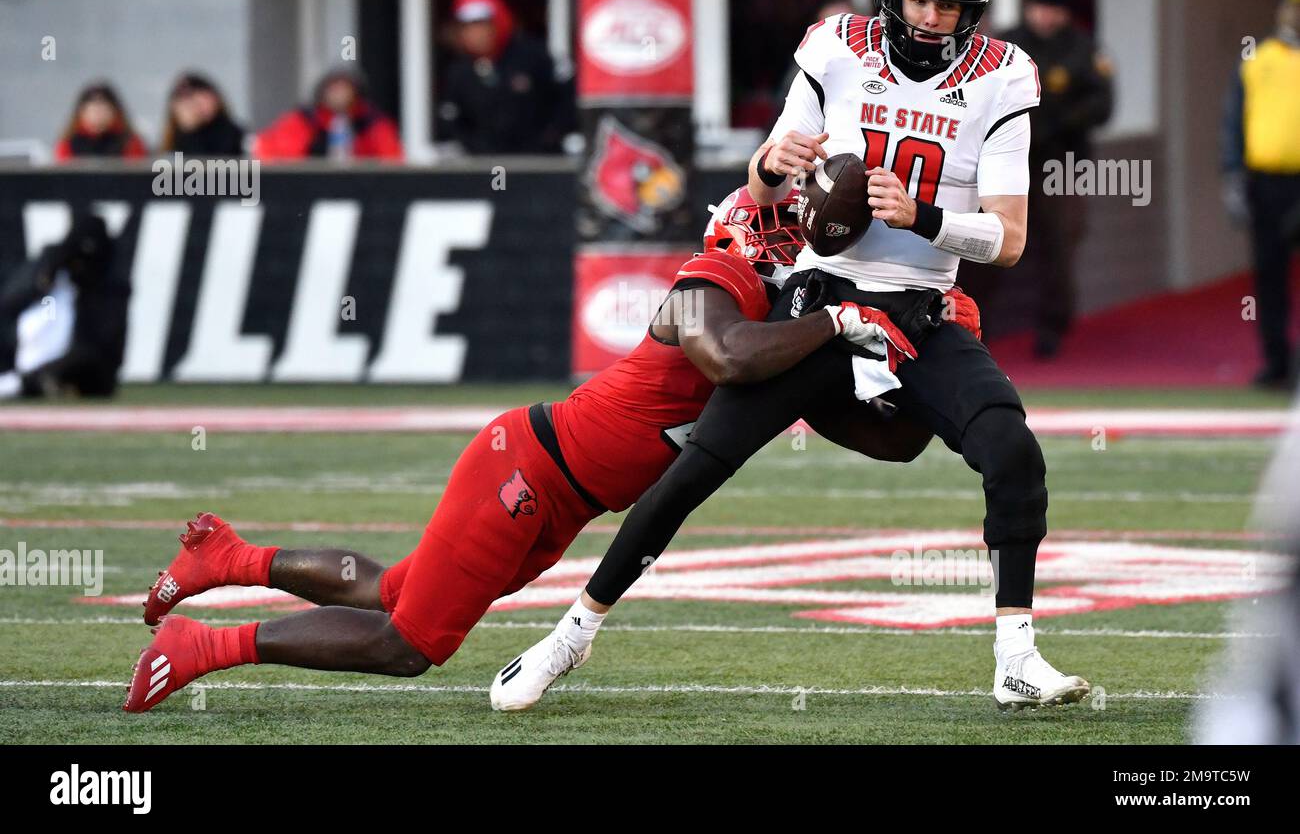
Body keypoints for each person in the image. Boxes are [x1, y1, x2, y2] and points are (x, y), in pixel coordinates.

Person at [492, 0, 1089, 715]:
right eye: (918, 1)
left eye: (948, 7)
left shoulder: (1005, 75)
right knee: (697, 467)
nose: (930, 19)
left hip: (918, 310)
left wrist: (925, 218)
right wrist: (773, 164)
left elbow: (1009, 240)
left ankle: (1015, 657)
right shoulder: (836, 49)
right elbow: (770, 184)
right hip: (821, 293)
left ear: (973, 9)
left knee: (1011, 448)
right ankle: (568, 635)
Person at [123, 187, 982, 713]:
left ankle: (230, 556)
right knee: (412, 644)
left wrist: (924, 352)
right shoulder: (711, 287)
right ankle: (206, 647)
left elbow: (889, 444)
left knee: (394, 593)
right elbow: (724, 356)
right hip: (526, 470)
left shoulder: (786, 335)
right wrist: (838, 320)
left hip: (564, 501)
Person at [1002, 0, 1113, 358]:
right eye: (1040, 7)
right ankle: (968, 320)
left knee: (1059, 246)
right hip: (1008, 162)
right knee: (987, 241)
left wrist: (1060, 121)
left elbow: (1103, 104)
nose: (1046, 17)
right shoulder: (1008, 44)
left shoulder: (1082, 49)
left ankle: (1052, 326)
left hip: (1062, 165)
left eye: (1054, 9)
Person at [1222, 0, 1300, 389]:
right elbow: (1234, 120)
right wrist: (1233, 176)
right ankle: (1277, 361)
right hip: (1266, 182)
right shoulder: (1258, 58)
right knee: (1269, 276)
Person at [0, 213, 130, 399]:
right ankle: (35, 380)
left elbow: (103, 344)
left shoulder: (108, 288)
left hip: (84, 366)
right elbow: (26, 310)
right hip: (35, 356)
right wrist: (44, 281)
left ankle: (36, 381)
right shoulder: (53, 282)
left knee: (83, 357)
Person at [437, 0, 569, 154]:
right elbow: (451, 121)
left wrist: (549, 139)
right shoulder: (460, 73)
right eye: (468, 27)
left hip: (537, 162)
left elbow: (565, 101)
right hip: (486, 167)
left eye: (482, 24)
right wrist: (477, 149)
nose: (476, 33)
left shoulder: (532, 57)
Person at [254, 68, 403, 161]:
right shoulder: (305, 120)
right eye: (334, 90)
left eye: (344, 89)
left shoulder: (371, 122)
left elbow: (391, 159)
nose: (339, 95)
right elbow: (278, 154)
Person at [53, 83, 148, 161]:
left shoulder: (130, 143)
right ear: (81, 113)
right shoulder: (68, 145)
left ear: (115, 111)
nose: (98, 114)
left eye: (103, 108)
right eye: (93, 109)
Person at [159, 72, 245, 157]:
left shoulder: (234, 135)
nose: (197, 106)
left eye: (202, 97)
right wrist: (188, 129)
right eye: (189, 101)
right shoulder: (173, 143)